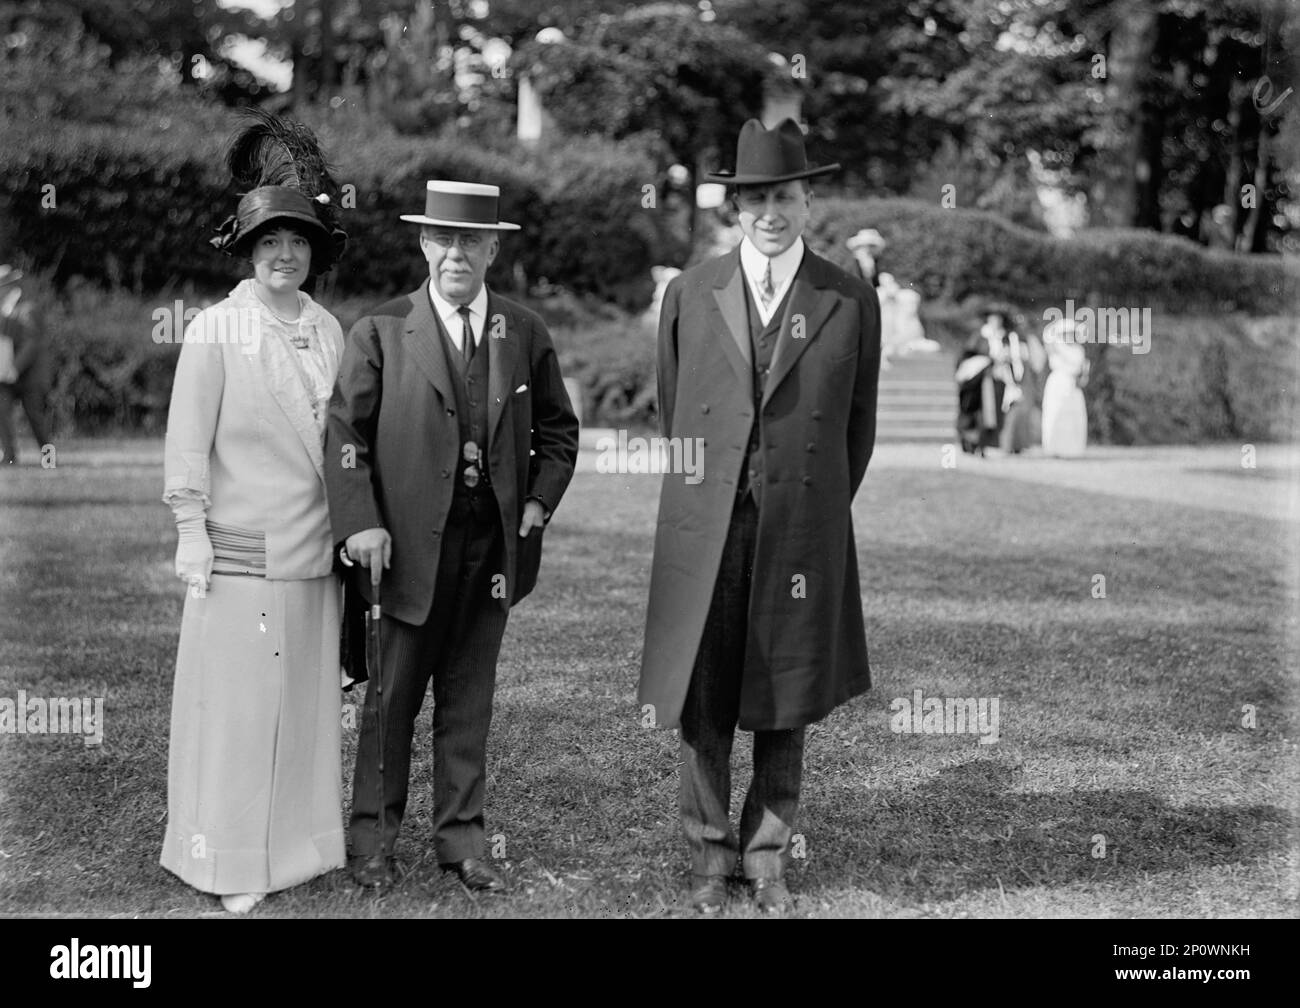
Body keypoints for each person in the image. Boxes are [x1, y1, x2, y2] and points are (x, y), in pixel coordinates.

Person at [638, 119, 882, 915]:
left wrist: (808, 505)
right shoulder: (691, 291)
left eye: (784, 195)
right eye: (754, 198)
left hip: (800, 531)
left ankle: (768, 856)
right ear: (734, 206)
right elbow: (674, 410)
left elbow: (858, 427)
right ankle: (711, 857)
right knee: (703, 691)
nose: (769, 211)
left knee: (787, 692)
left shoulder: (848, 297)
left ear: (809, 201)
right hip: (709, 526)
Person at [326, 180, 578, 894]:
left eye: (471, 240)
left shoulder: (522, 330)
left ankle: (462, 841)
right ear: (423, 245)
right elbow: (344, 434)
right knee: (392, 701)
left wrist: (538, 502)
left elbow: (559, 431)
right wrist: (361, 522)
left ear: (493, 248)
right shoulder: (381, 328)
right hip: (404, 548)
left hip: (491, 549)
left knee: (469, 701)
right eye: (444, 239)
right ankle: (372, 839)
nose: (456, 253)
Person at [159, 109, 349, 914]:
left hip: (314, 556)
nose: (284, 254)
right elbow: (185, 447)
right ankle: (229, 861)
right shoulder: (215, 330)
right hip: (237, 555)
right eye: (269, 241)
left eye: (297, 241)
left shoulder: (330, 330)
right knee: (237, 716)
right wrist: (191, 533)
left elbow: (341, 446)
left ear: (313, 252)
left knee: (305, 710)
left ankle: (300, 849)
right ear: (245, 250)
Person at [0, 264, 52, 466]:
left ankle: (50, 458)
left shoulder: (28, 308)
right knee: (1, 410)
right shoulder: (5, 311)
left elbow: (32, 343)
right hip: (7, 376)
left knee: (36, 418)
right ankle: (9, 456)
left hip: (30, 375)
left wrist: (15, 368)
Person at [955, 308, 1011, 456]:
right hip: (978, 384)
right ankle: (971, 443)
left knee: (991, 416)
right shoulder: (979, 337)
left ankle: (985, 445)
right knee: (977, 414)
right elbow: (967, 357)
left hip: (996, 380)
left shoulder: (1004, 338)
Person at [1040, 317, 1089, 457]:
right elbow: (1047, 337)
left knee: (1073, 416)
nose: (1068, 335)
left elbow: (1081, 368)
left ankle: (1071, 449)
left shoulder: (1079, 349)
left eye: (1071, 332)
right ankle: (1053, 448)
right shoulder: (1056, 346)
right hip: (1058, 384)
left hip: (1072, 386)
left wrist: (1082, 377)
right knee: (1055, 414)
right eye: (1066, 332)